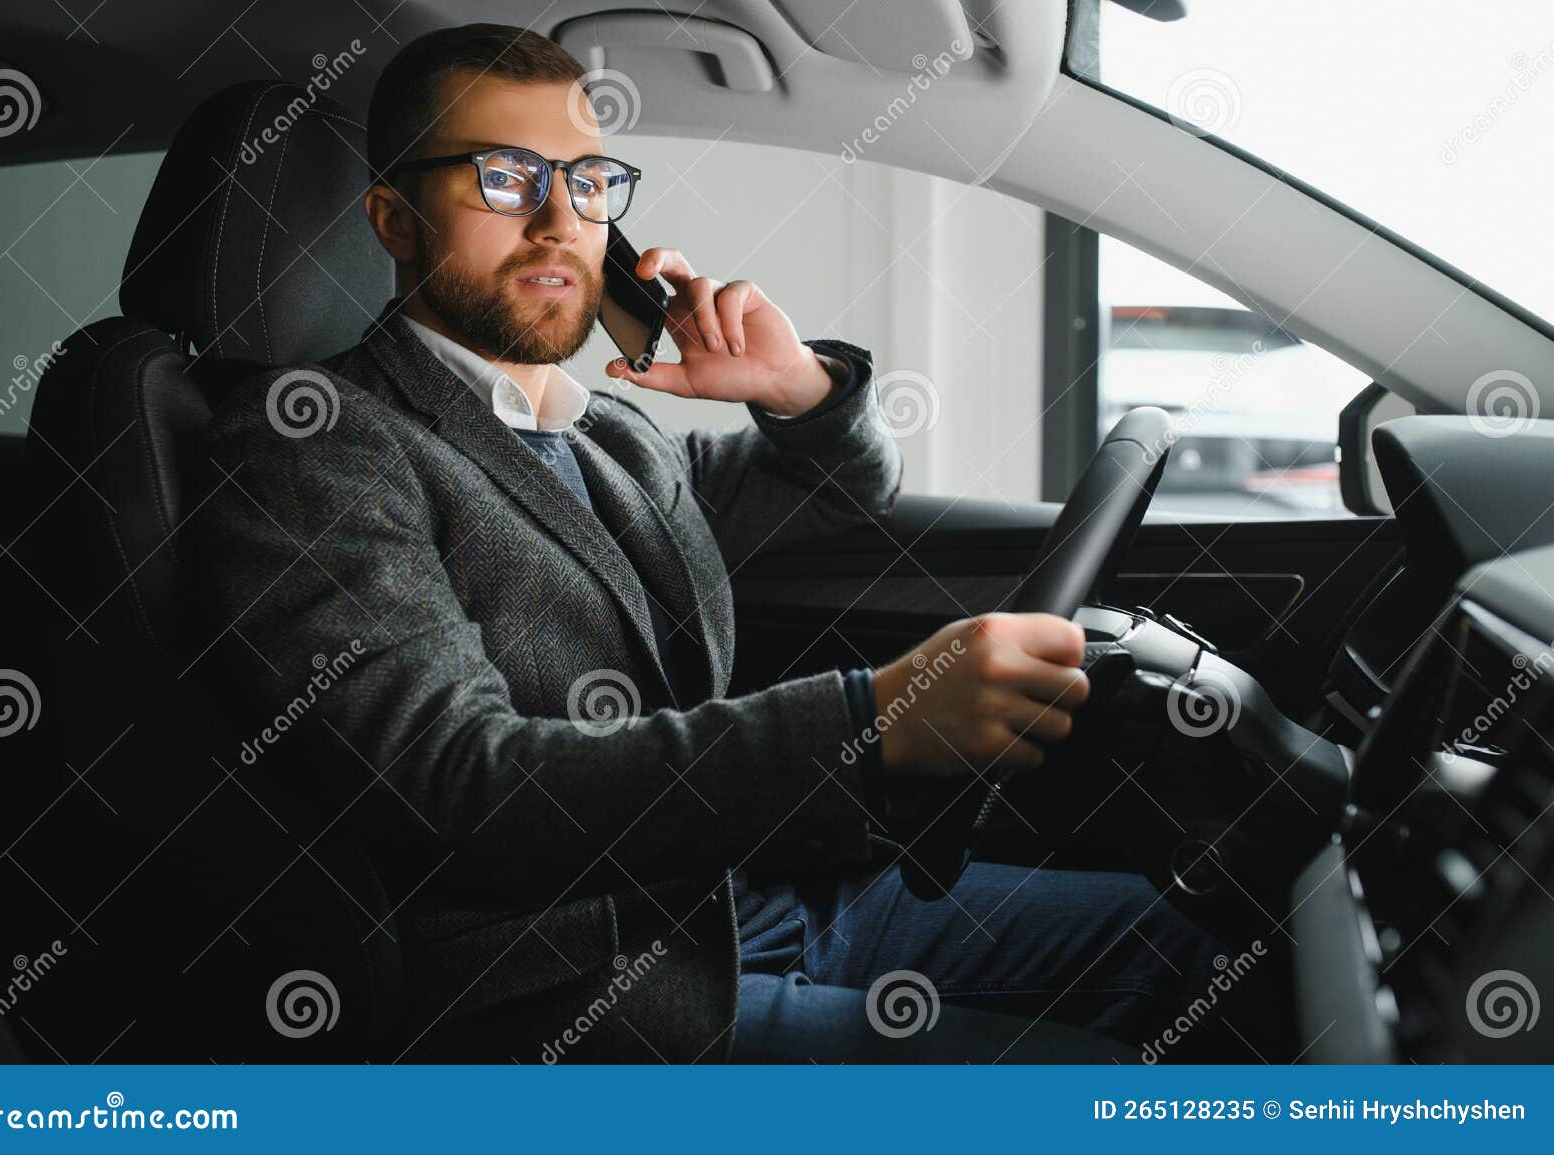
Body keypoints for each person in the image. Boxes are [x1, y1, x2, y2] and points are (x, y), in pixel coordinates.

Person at [196, 22, 1262, 1063]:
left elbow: (838, 497)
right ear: (393, 219)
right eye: (505, 179)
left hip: (737, 899)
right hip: (576, 996)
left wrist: (793, 388)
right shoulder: (318, 443)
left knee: (1171, 944)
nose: (557, 222)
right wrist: (867, 723)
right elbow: (459, 784)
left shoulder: (602, 428)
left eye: (585, 181)